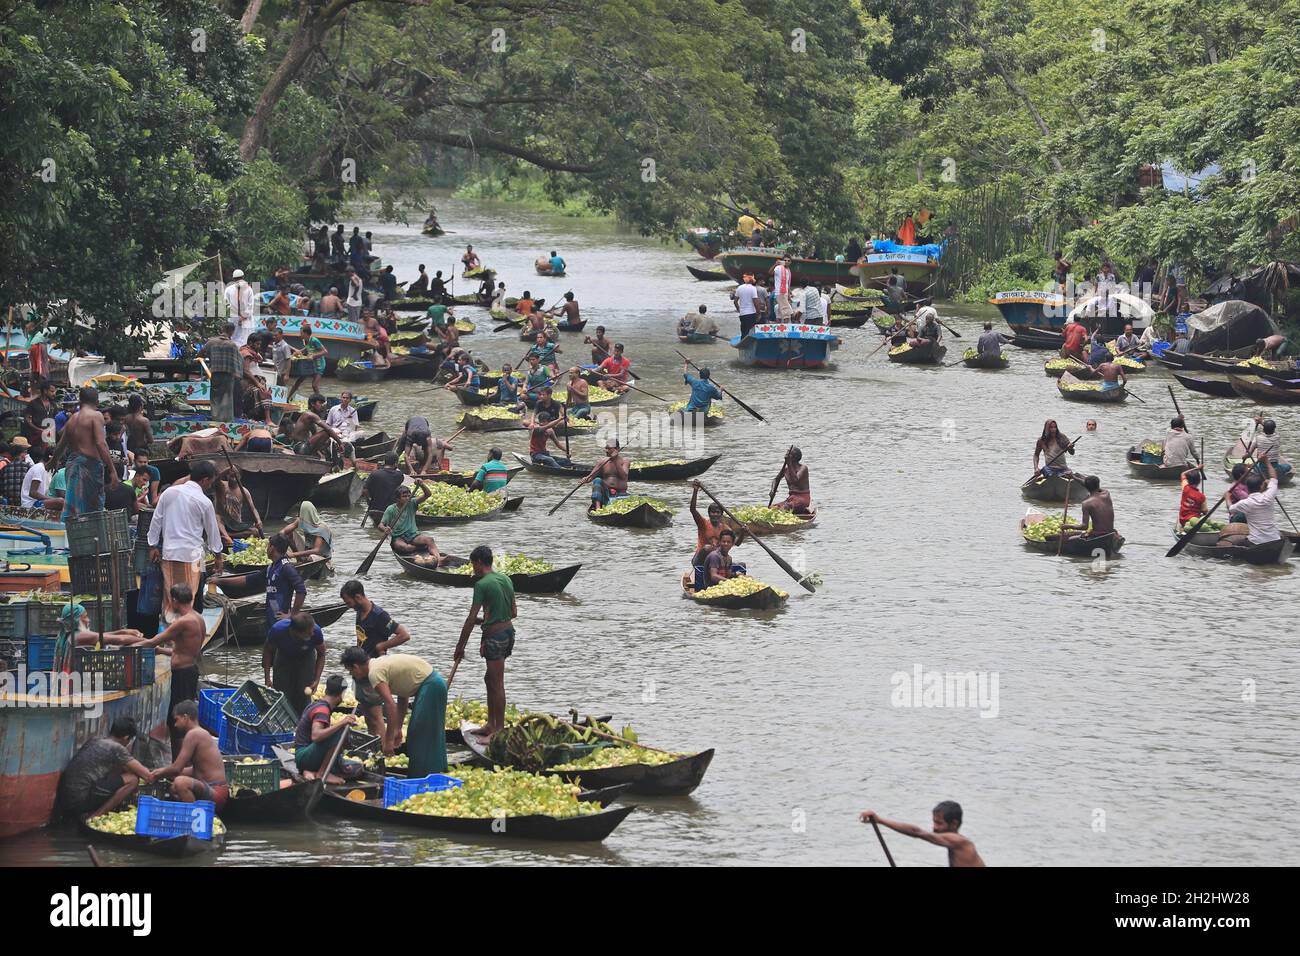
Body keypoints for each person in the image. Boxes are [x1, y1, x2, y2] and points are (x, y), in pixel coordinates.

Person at [341, 646, 448, 773]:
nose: (352, 675)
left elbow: (390, 706)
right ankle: (433, 770)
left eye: (350, 671)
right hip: (432, 684)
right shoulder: (378, 664)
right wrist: (397, 728)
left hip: (431, 686)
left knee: (419, 733)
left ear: (356, 667)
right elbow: (403, 696)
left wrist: (388, 741)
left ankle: (424, 773)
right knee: (424, 732)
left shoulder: (374, 673)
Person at [133, 584, 207, 755]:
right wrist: (161, 651)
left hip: (183, 674)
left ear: (174, 600)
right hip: (189, 671)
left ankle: (179, 764)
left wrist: (129, 644)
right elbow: (185, 650)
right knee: (183, 716)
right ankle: (183, 762)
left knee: (178, 720)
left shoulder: (183, 621)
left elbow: (152, 642)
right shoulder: (198, 618)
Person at [454, 545, 517, 740]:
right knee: (490, 679)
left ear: (479, 563)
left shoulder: (481, 585)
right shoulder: (505, 579)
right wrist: (487, 621)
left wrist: (460, 647)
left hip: (495, 638)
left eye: (473, 564)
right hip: (507, 634)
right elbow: (513, 613)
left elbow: (471, 618)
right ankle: (491, 724)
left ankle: (498, 731)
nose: (473, 568)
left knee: (497, 683)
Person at [148, 461, 223, 621]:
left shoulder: (169, 493)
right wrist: (218, 556)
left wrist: (152, 545)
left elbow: (156, 520)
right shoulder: (204, 502)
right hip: (194, 555)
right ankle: (192, 623)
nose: (211, 485)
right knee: (192, 593)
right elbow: (213, 532)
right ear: (204, 480)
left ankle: (171, 626)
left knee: (171, 593)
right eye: (211, 481)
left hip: (170, 553)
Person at [58, 717, 152, 818]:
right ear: (126, 738)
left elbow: (125, 767)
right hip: (80, 800)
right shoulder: (117, 748)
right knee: (133, 779)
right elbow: (147, 776)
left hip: (65, 798)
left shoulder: (95, 740)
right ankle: (95, 817)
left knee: (123, 772)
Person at [150, 700, 227, 809]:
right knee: (174, 787)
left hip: (216, 792)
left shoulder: (193, 734)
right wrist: (166, 772)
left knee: (180, 782)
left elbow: (177, 768)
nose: (175, 725)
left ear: (185, 718)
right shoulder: (201, 733)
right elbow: (194, 769)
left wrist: (157, 774)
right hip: (213, 789)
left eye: (177, 720)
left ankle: (193, 816)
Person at [220, 533, 305, 631]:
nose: (266, 549)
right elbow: (248, 579)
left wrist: (292, 615)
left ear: (272, 548)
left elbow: (301, 591)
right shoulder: (271, 568)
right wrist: (220, 581)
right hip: (271, 618)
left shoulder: (287, 568)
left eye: (268, 546)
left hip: (282, 622)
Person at [859, 802, 985, 867]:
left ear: (954, 824)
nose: (934, 827)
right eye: (934, 822)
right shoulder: (953, 844)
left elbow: (917, 832)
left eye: (939, 823)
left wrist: (879, 820)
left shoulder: (959, 842)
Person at [294, 674, 358, 779]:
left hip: (306, 755)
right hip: (304, 756)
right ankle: (322, 773)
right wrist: (341, 723)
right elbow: (316, 736)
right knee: (340, 731)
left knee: (355, 767)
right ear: (341, 694)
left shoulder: (316, 704)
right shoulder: (322, 710)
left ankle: (311, 771)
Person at [263, 611, 326, 715]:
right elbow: (268, 651)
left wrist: (317, 679)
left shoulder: (316, 631)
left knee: (304, 692)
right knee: (282, 693)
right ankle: (283, 718)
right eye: (309, 633)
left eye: (312, 631)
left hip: (306, 657)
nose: (312, 634)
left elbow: (322, 654)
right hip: (283, 656)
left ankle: (301, 721)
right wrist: (267, 677)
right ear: (296, 632)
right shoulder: (278, 630)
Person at [380, 482, 444, 560]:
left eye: (408, 496)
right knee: (403, 547)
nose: (407, 498)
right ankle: (419, 547)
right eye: (404, 496)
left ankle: (438, 559)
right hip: (398, 537)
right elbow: (380, 525)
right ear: (397, 499)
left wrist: (421, 485)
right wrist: (385, 529)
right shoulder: (391, 509)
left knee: (429, 540)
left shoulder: (412, 502)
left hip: (413, 535)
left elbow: (428, 494)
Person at [1233, 459, 1281, 545]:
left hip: (1256, 541)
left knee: (1237, 544)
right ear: (1261, 487)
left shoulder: (1246, 502)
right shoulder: (1268, 496)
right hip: (1275, 538)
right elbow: (1274, 478)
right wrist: (1267, 461)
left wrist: (1226, 498)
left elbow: (1230, 508)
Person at [203, 323, 242, 422]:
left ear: (222, 329)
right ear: (232, 332)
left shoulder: (211, 342)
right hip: (228, 374)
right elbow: (239, 360)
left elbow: (201, 354)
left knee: (215, 398)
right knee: (227, 398)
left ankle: (216, 418)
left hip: (215, 373)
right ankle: (226, 420)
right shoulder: (232, 345)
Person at [290, 394, 345, 458]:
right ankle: (314, 453)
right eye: (320, 403)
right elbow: (328, 429)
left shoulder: (310, 416)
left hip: (301, 447)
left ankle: (315, 453)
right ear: (312, 404)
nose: (322, 406)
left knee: (327, 440)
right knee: (326, 432)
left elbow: (314, 434)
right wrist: (340, 443)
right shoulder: (310, 415)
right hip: (301, 447)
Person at [1062, 474, 1116, 539]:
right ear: (1098, 485)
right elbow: (1088, 485)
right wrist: (1073, 477)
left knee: (1071, 539)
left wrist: (1068, 526)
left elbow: (1084, 527)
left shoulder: (1086, 503)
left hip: (1098, 535)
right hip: (1110, 533)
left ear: (1086, 487)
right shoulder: (1106, 493)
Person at [582, 439, 628, 511]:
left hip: (621, 493)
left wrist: (615, 460)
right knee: (597, 480)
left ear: (617, 449)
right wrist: (585, 479)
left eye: (609, 448)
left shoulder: (625, 461)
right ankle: (598, 509)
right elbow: (591, 477)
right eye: (606, 448)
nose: (606, 450)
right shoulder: (602, 462)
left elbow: (623, 476)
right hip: (606, 494)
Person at [688, 481, 727, 566]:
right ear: (709, 514)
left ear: (721, 514)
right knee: (707, 548)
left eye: (717, 512)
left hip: (715, 560)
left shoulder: (724, 528)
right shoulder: (703, 523)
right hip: (700, 560)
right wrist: (695, 491)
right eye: (713, 512)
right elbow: (692, 510)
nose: (715, 514)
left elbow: (737, 543)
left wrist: (743, 532)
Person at [286, 324, 327, 400]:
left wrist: (313, 356)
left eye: (301, 333)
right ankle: (287, 398)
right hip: (310, 364)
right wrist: (298, 352)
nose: (299, 335)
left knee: (314, 385)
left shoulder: (314, 340)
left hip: (319, 365)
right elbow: (306, 348)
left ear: (305, 333)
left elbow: (325, 351)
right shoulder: (305, 341)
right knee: (299, 381)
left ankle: (321, 402)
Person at [363, 453, 405, 523]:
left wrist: (369, 502)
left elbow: (365, 490)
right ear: (395, 463)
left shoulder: (374, 473)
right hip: (390, 510)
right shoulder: (399, 475)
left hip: (374, 509)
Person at [771, 447, 811, 513]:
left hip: (802, 499)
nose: (786, 455)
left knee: (782, 510)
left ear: (794, 457)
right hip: (791, 499)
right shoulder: (786, 469)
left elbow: (795, 480)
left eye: (788, 453)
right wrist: (772, 490)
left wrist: (789, 463)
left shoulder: (803, 468)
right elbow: (776, 479)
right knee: (772, 508)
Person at [23, 379, 58, 449]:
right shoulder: (33, 403)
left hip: (49, 438)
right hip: (35, 438)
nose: (54, 394)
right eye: (52, 391)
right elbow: (27, 419)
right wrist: (38, 429)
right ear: (45, 391)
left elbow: (54, 420)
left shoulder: (53, 405)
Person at [20, 444, 49, 509]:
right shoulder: (39, 468)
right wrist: (51, 499)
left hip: (36, 502)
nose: (59, 463)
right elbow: (33, 493)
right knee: (61, 502)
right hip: (30, 504)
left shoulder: (43, 469)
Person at [772, 255, 793, 320]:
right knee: (786, 313)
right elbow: (770, 272)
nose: (786, 262)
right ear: (782, 261)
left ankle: (780, 325)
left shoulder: (788, 271)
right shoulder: (779, 267)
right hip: (780, 292)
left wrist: (789, 294)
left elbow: (788, 283)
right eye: (785, 260)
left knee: (780, 311)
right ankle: (786, 326)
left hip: (785, 293)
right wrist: (775, 264)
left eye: (788, 261)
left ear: (790, 262)